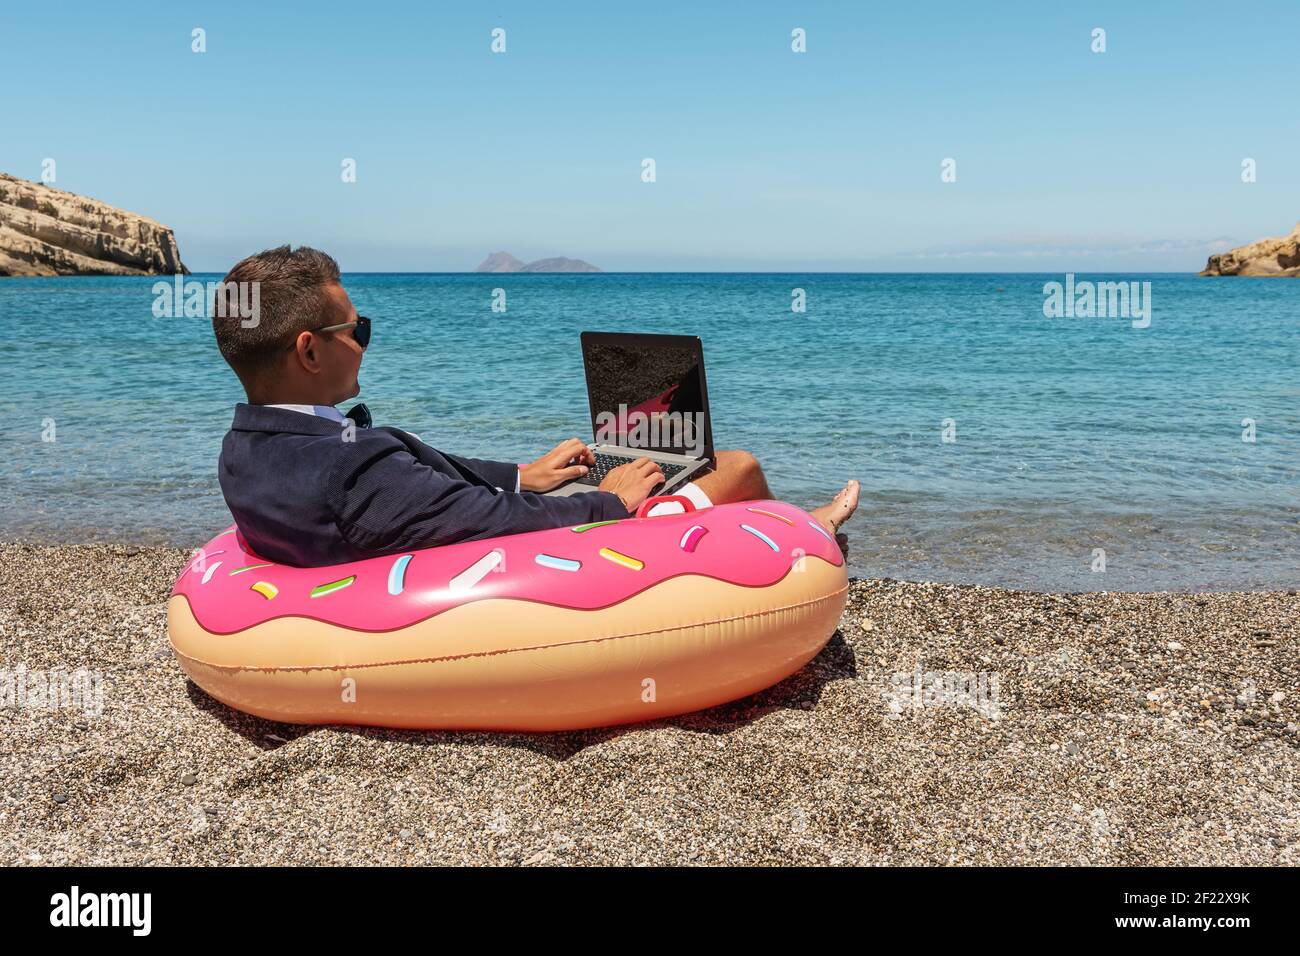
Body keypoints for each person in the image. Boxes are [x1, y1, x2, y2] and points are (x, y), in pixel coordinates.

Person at [211, 245, 858, 567]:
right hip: (546, 566)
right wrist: (613, 502)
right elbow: (485, 522)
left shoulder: (245, 452)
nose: (364, 343)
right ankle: (807, 543)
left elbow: (427, 484)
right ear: (310, 352)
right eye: (357, 330)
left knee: (635, 461)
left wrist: (527, 474)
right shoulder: (349, 472)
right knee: (738, 468)